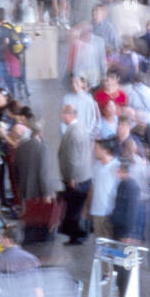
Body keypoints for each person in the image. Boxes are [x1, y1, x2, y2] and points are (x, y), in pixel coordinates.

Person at [57, 102, 92, 246]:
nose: (61, 115)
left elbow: (74, 158)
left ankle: (77, 236)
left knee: (74, 208)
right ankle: (76, 234)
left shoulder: (75, 131)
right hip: (80, 176)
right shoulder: (77, 128)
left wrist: (72, 177)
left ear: (71, 115)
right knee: (75, 207)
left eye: (64, 113)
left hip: (76, 178)